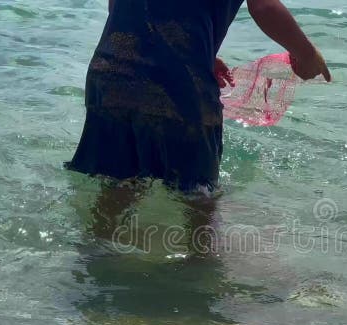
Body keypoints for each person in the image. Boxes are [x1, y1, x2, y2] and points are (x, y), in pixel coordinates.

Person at [66, 0, 331, 192]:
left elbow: (120, 8)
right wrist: (307, 56)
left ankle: (95, 264)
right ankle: (196, 266)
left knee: (115, 190)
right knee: (198, 202)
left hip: (111, 75)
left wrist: (198, 50)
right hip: (179, 87)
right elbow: (263, 6)